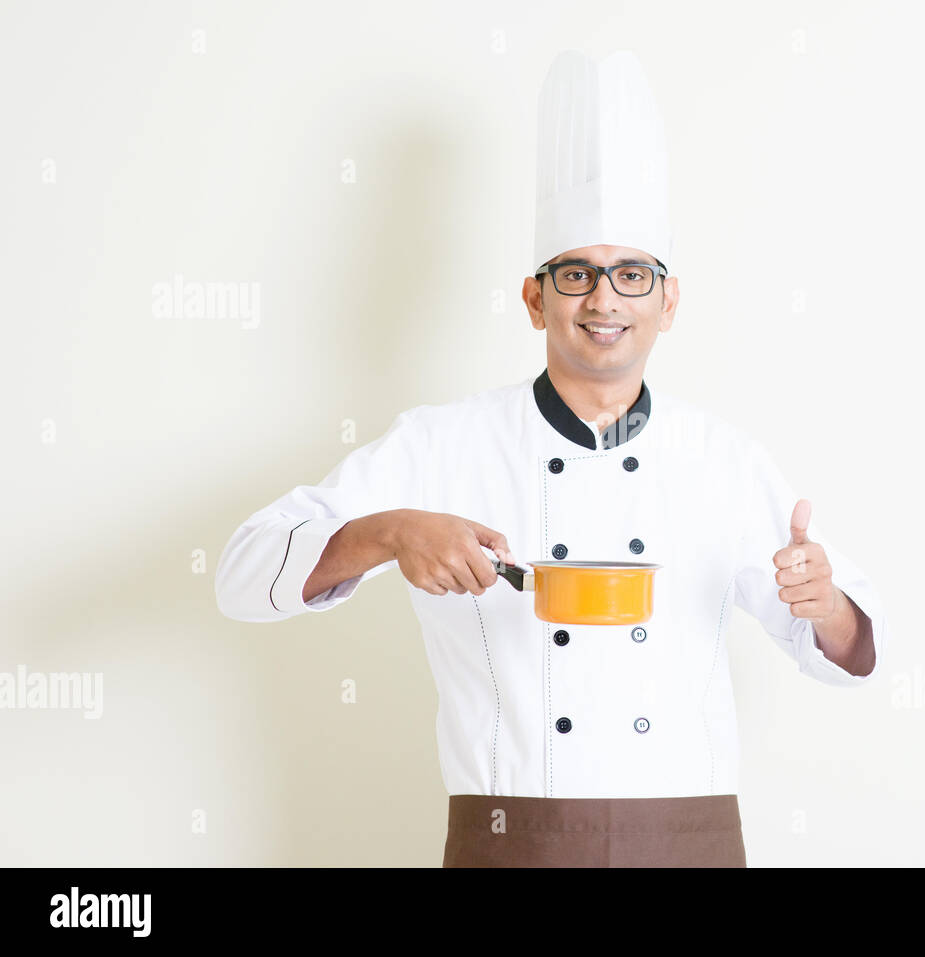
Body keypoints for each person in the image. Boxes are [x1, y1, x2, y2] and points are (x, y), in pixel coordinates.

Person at [214, 49, 889, 867]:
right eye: (577, 273)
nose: (604, 299)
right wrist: (388, 531)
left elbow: (851, 655)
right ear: (535, 297)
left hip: (690, 845)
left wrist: (826, 604)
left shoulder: (722, 458)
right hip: (511, 846)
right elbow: (241, 575)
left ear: (667, 302)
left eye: (632, 275)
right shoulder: (441, 444)